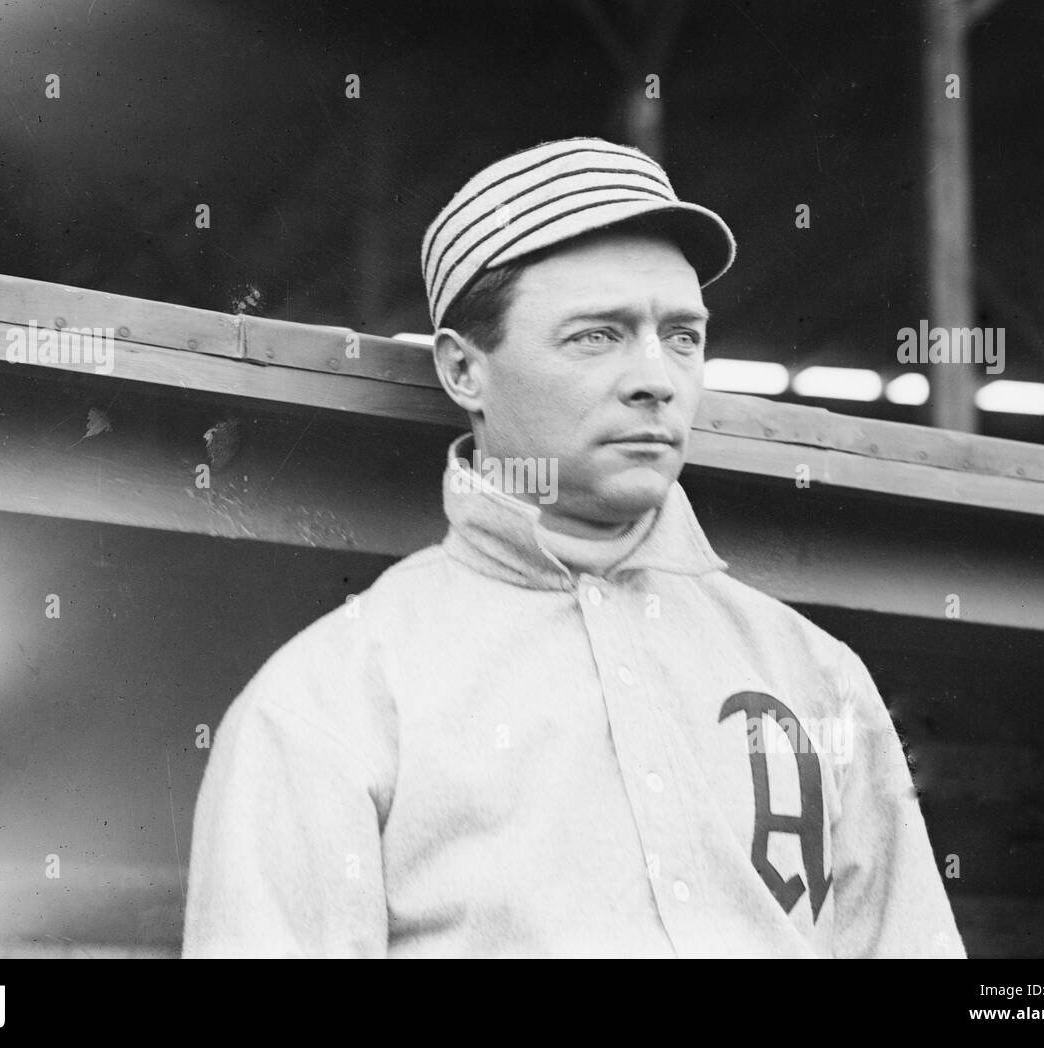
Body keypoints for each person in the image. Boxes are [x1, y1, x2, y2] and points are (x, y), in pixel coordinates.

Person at [182, 137, 965, 958]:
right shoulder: (329, 703)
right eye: (598, 336)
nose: (656, 378)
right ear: (463, 370)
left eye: (684, 336)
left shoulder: (816, 675)